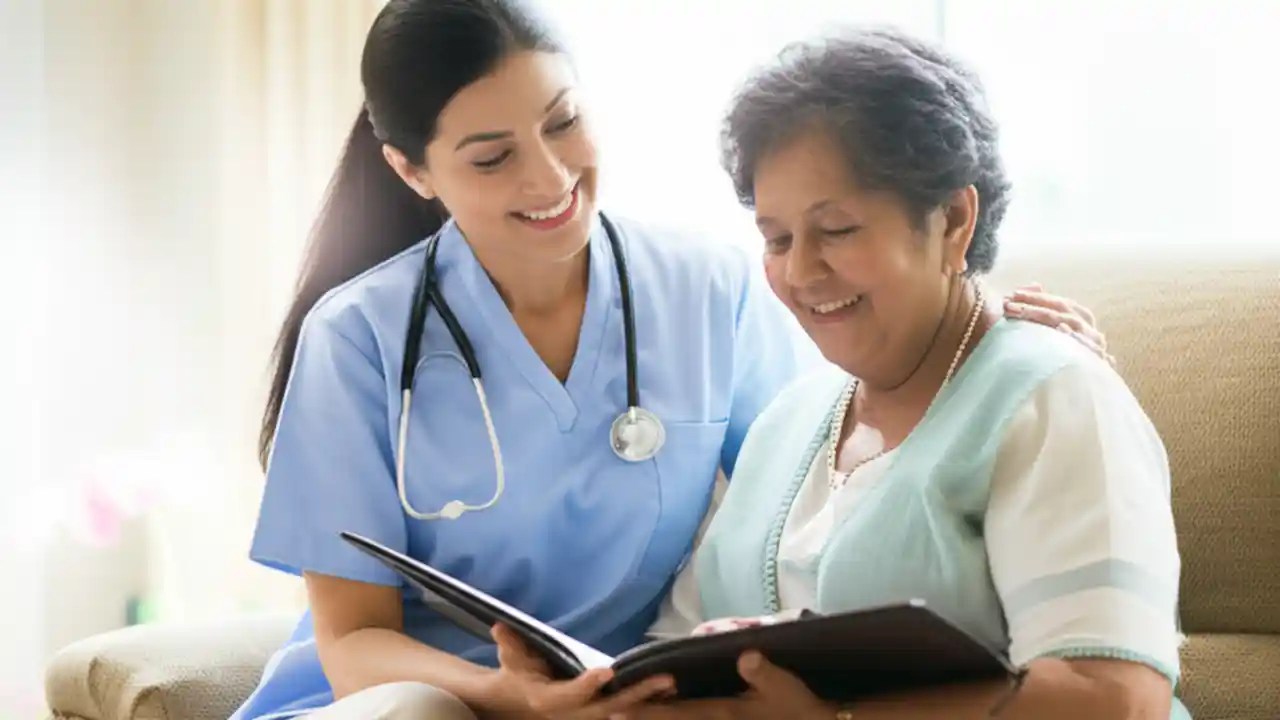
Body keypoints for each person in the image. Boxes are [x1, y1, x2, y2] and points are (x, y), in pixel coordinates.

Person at [231, 3, 1110, 718]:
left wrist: (986, 339)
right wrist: (507, 696)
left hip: (632, 695)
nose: (549, 178)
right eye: (493, 158)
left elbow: (832, 474)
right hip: (417, 700)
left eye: (563, 122)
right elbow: (351, 643)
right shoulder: (358, 339)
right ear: (412, 171)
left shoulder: (707, 289)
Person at [494, 26, 1188, 720]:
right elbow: (679, 642)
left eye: (838, 231)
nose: (800, 272)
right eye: (777, 239)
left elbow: (1117, 702)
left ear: (951, 219)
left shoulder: (1053, 399)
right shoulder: (788, 423)